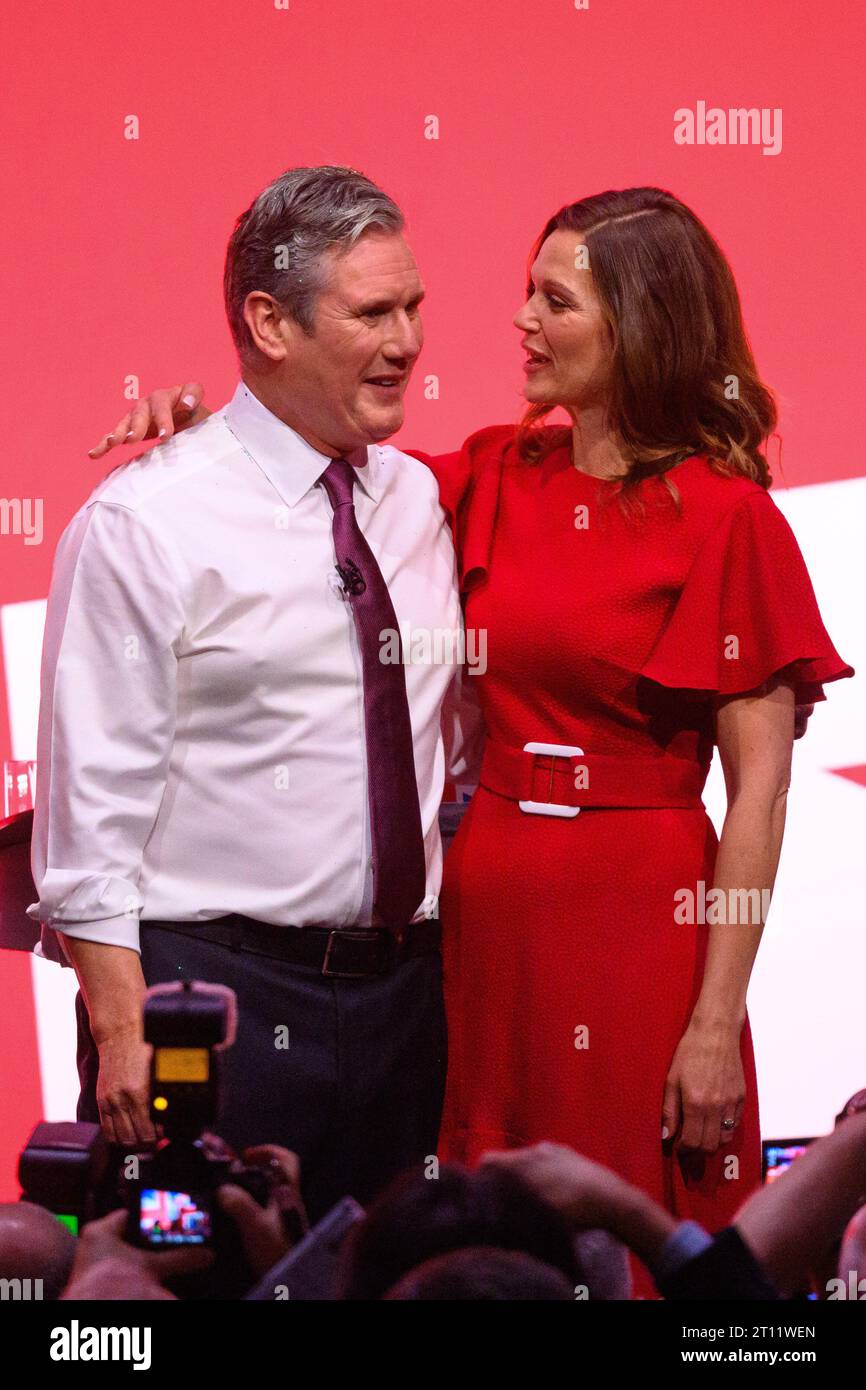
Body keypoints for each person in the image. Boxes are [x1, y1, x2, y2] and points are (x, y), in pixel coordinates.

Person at [91, 184, 852, 1295]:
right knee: (475, 1224)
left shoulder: (727, 517)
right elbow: (302, 468)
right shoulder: (492, 472)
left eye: (554, 300)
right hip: (481, 928)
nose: (520, 322)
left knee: (624, 1198)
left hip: (635, 919)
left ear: (637, 323)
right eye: (523, 294)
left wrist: (711, 1019)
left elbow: (761, 799)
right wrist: (204, 425)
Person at [29, 166, 483, 1223]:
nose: (409, 339)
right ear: (270, 323)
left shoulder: (417, 495)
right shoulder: (149, 521)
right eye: (374, 312)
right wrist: (120, 1023)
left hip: (406, 1006)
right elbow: (90, 809)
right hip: (212, 1000)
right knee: (189, 1284)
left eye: (414, 305)